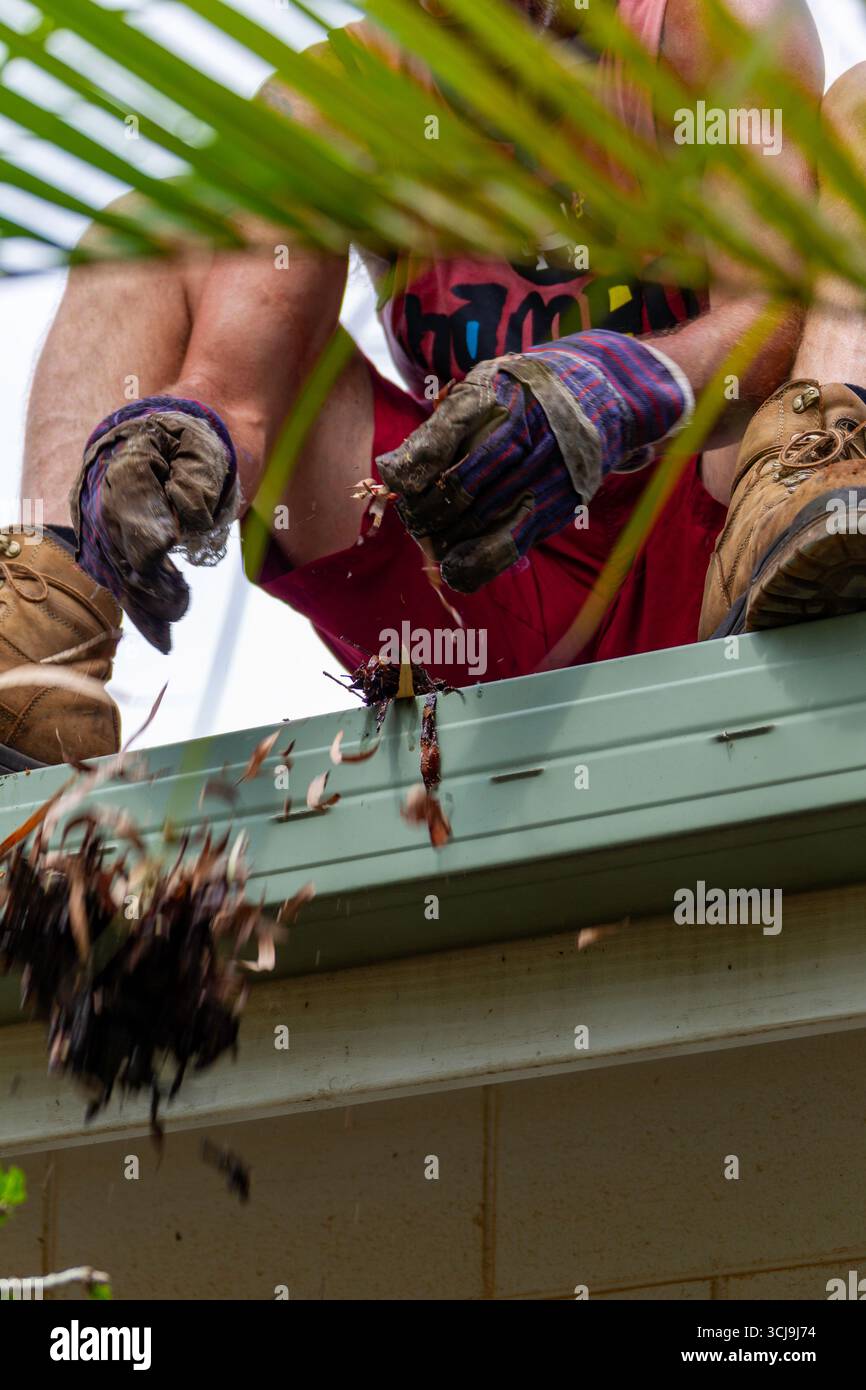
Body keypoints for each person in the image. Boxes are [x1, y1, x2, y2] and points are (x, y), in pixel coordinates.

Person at [0, 0, 833, 773]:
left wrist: (625, 389)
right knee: (149, 233)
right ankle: (48, 652)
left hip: (718, 555)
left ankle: (829, 498)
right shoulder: (341, 96)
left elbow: (777, 315)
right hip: (471, 572)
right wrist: (188, 437)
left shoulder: (705, 30)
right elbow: (241, 399)